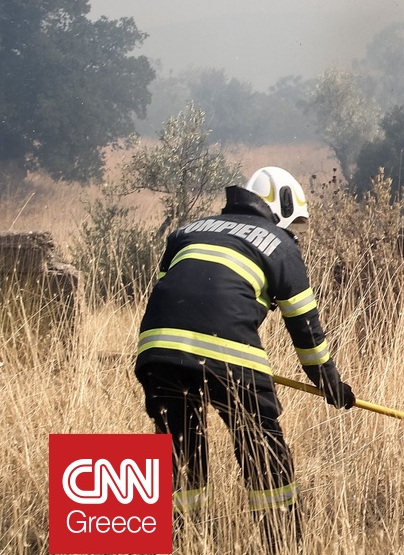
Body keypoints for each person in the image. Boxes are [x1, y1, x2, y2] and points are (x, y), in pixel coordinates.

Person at [134, 166, 355, 552]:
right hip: (228, 352)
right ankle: (282, 542)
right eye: (295, 224)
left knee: (179, 450)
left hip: (157, 348)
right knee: (262, 448)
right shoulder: (280, 244)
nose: (294, 233)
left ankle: (179, 541)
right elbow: (305, 327)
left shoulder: (187, 231)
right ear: (282, 209)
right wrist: (329, 382)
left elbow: (175, 289)